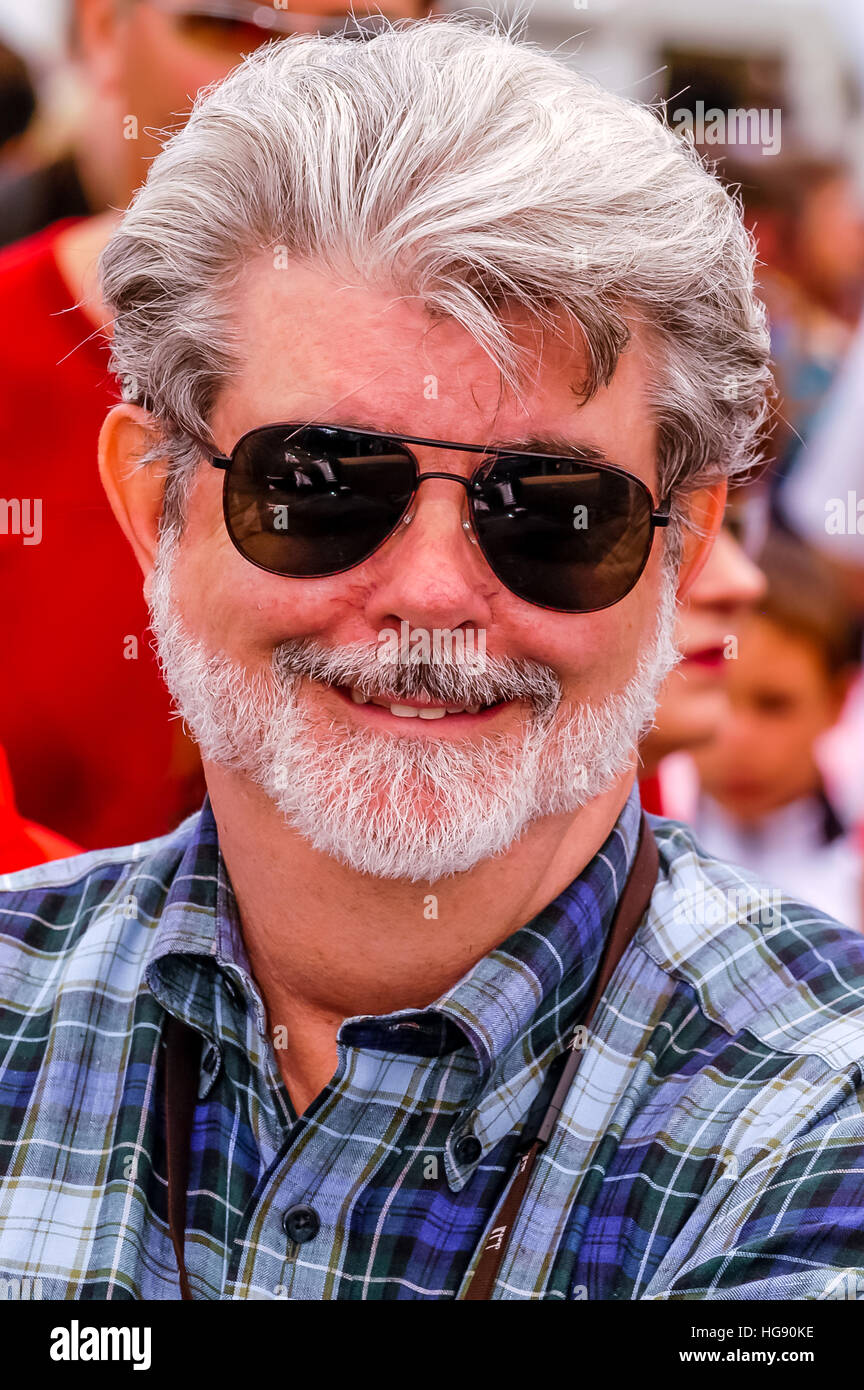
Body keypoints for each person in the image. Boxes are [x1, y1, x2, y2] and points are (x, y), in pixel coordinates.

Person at [2, 18, 864, 1303]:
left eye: (555, 512)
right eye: (323, 488)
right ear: (154, 505)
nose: (431, 595)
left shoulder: (822, 1104)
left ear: (681, 552)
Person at [0, 0, 435, 849]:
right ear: (103, 32)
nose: (298, 76)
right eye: (234, 27)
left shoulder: (495, 395)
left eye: (360, 41)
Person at [688, 531, 862, 930]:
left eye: (774, 704)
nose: (734, 739)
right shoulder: (618, 824)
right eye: (713, 693)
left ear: (836, 702)